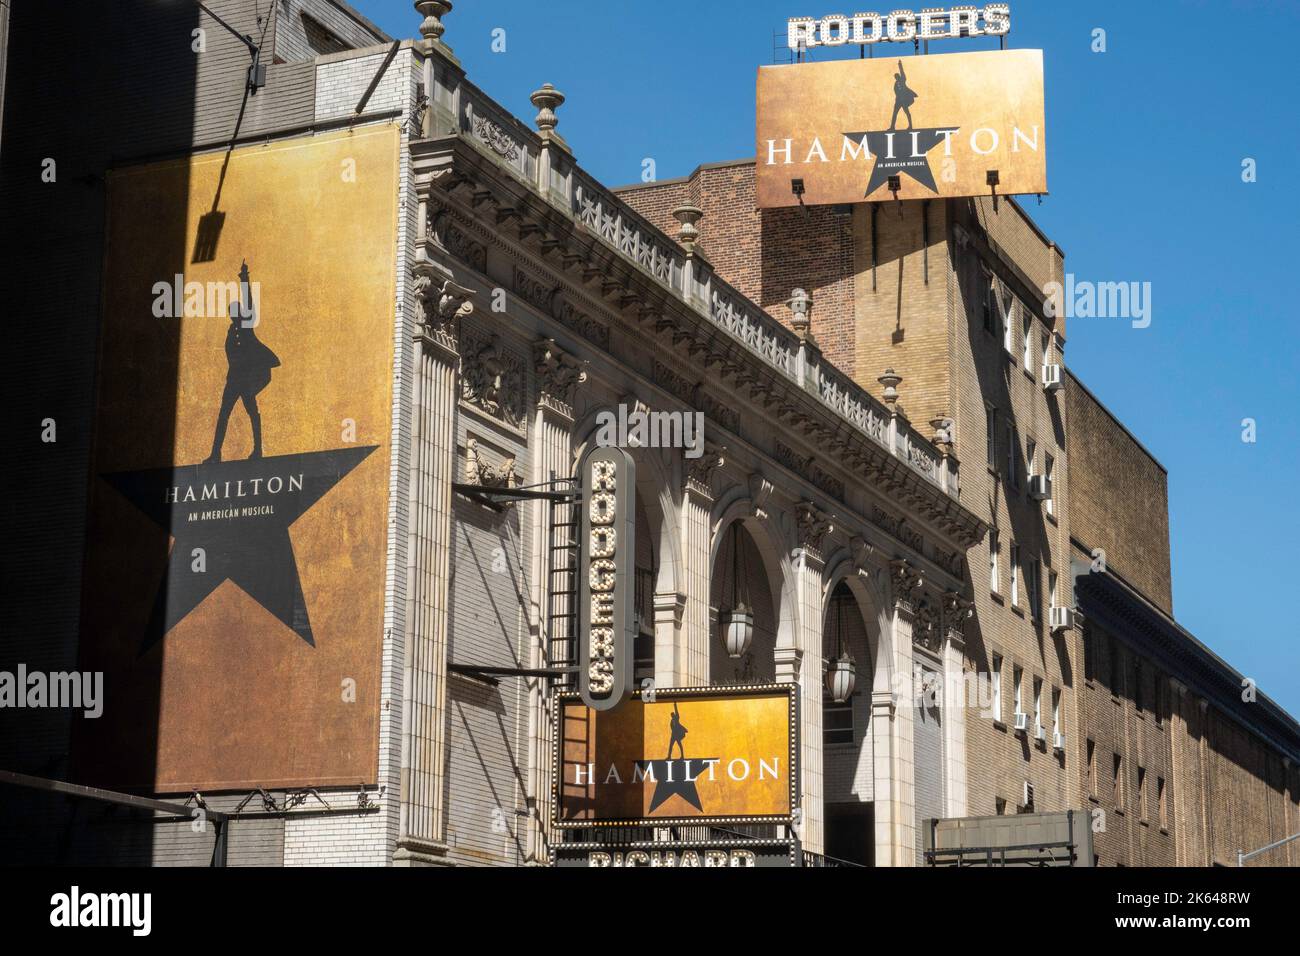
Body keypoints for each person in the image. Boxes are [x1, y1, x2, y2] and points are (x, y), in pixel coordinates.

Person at [206, 260, 280, 463]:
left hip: (246, 379)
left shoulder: (246, 326)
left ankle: (258, 451)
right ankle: (215, 454)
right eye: (231, 311)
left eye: (235, 311)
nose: (233, 314)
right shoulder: (232, 330)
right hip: (233, 379)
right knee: (223, 415)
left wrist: (245, 279)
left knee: (252, 413)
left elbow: (249, 302)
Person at [889, 60, 918, 131]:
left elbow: (902, 71)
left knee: (907, 113)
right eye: (895, 77)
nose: (896, 77)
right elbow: (896, 92)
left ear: (899, 76)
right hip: (898, 101)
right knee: (895, 113)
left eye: (897, 76)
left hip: (904, 100)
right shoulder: (895, 84)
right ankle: (892, 127)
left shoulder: (902, 79)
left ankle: (910, 126)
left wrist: (900, 65)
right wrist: (897, 99)